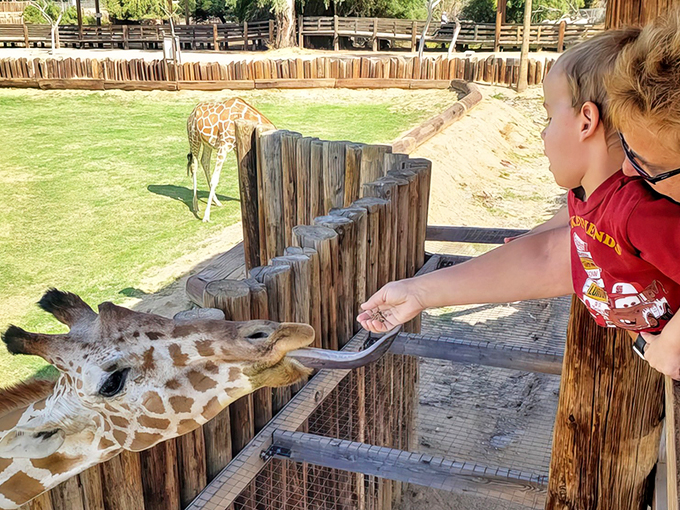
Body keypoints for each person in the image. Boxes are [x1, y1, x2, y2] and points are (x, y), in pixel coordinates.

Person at [356, 24, 680, 380]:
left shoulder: (639, 209)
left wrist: (672, 343)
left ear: (587, 121)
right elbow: (561, 243)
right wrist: (417, 293)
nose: (543, 131)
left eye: (548, 117)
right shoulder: (590, 195)